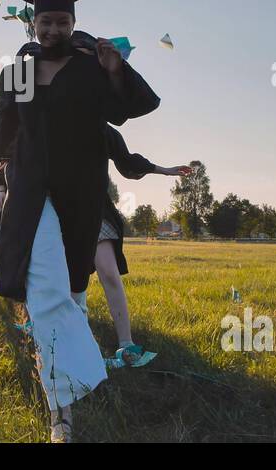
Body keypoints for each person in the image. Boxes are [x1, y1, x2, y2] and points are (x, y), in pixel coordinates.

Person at [0, 0, 159, 441]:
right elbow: (4, 120)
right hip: (30, 184)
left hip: (80, 190)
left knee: (74, 287)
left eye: (62, 20)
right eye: (45, 21)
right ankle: (62, 411)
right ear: (33, 24)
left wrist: (115, 69)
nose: (53, 28)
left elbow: (135, 106)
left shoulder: (91, 67)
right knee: (44, 286)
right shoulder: (19, 70)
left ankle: (69, 381)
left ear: (74, 22)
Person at [74, 123, 193, 365]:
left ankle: (126, 345)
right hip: (60, 210)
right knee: (71, 282)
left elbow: (128, 162)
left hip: (95, 208)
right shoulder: (53, 120)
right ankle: (73, 345)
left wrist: (165, 170)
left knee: (109, 271)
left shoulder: (103, 130)